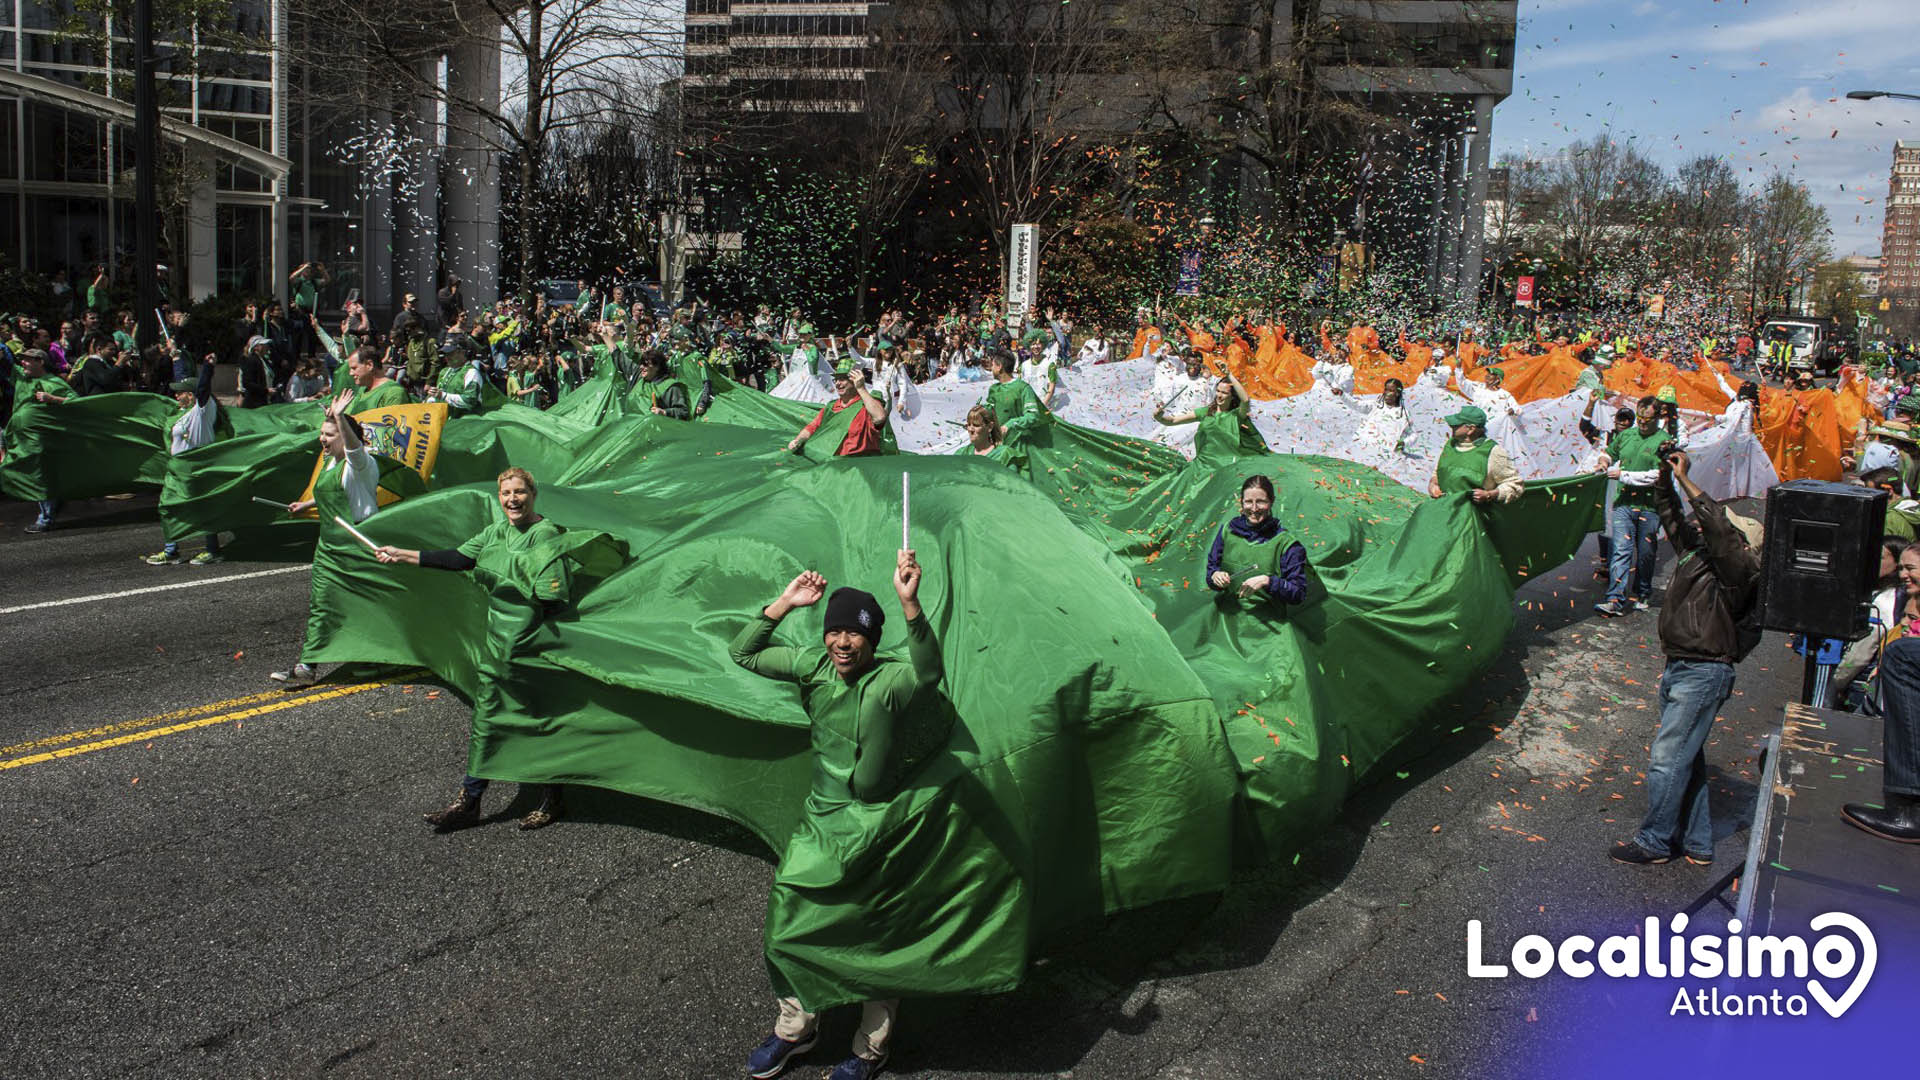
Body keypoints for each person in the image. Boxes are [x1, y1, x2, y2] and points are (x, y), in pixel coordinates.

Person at [732, 549, 942, 1080]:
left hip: (878, 823)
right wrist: (785, 603)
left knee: (874, 937)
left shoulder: (891, 679)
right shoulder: (812, 664)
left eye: (856, 634)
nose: (843, 642)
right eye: (835, 631)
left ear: (872, 641)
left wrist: (910, 604)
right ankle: (796, 1028)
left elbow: (929, 671)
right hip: (822, 820)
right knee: (787, 924)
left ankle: (871, 1048)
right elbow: (744, 653)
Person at [373, 467, 570, 832]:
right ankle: (469, 802)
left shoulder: (545, 534)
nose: (512, 499)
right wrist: (401, 554)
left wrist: (535, 640)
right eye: (506, 493)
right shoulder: (496, 532)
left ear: (533, 494)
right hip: (497, 646)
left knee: (533, 722)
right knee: (486, 721)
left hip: (528, 648)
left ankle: (552, 797)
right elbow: (458, 559)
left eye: (519, 492)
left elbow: (553, 599)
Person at [1610, 446, 1763, 865]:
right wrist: (1666, 477)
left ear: (1738, 541)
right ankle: (1697, 842)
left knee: (1666, 760)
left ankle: (1655, 841)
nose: (1705, 527)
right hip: (1680, 666)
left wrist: (1686, 479)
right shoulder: (1699, 557)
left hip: (1704, 672)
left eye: (1724, 529)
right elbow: (1671, 515)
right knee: (1686, 760)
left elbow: (1715, 523)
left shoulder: (1739, 570)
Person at [272, 390, 386, 686]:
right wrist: (306, 505)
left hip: (358, 544)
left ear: (345, 437)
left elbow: (353, 450)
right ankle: (307, 665)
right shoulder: (331, 462)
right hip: (329, 545)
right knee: (322, 604)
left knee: (360, 604)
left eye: (329, 435)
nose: (323, 439)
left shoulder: (362, 463)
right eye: (322, 433)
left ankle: (372, 659)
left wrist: (340, 417)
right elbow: (333, 491)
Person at [144, 362, 223, 566]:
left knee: (200, 508)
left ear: (191, 395)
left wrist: (208, 367)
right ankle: (171, 550)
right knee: (169, 507)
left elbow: (203, 388)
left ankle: (212, 550)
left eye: (180, 393)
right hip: (178, 469)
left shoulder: (202, 411)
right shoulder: (184, 414)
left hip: (195, 468)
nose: (176, 395)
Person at [1595, 397, 1667, 618]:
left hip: (1649, 507)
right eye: (1641, 418)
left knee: (1645, 554)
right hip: (1624, 504)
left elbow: (1657, 475)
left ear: (1658, 418)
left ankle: (1642, 593)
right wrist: (1604, 462)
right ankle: (1615, 599)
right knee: (1621, 550)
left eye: (1648, 419)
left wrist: (1623, 475)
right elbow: (1609, 452)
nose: (1643, 423)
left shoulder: (1664, 442)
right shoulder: (1626, 435)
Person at [1205, 475, 1308, 608]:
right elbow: (1212, 570)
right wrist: (1215, 576)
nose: (1254, 508)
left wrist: (1268, 581)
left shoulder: (1287, 544)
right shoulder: (1227, 531)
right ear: (1241, 502)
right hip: (1226, 611)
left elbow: (1298, 594)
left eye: (1261, 502)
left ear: (1271, 501)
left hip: (1268, 616)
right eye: (1248, 501)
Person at [1153, 369, 1266, 465]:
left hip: (1228, 464)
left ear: (1232, 396)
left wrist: (1229, 375)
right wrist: (1160, 418)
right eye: (1218, 391)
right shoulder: (1206, 412)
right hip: (1204, 463)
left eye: (1224, 393)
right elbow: (1173, 420)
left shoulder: (1236, 415)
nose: (1219, 395)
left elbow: (1245, 400)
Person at [11, 349, 70, 532]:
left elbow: (75, 402)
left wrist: (52, 398)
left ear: (40, 362)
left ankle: (46, 519)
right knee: (33, 476)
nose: (23, 363)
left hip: (42, 440)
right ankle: (53, 505)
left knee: (41, 477)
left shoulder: (54, 382)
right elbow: (4, 361)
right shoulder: (22, 378)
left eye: (27, 360)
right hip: (21, 439)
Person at [788, 363, 889, 458]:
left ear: (855, 380)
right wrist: (797, 441)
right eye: (836, 380)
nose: (837, 383)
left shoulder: (867, 404)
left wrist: (861, 388)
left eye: (842, 379)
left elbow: (880, 417)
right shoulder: (831, 407)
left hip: (859, 463)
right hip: (832, 462)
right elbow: (813, 427)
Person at [1427, 404, 1522, 504]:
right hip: (1443, 507)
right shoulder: (1450, 444)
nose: (1451, 426)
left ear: (1471, 429)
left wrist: (1489, 494)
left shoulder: (1493, 452)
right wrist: (1433, 483)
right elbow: (1438, 472)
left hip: (1472, 511)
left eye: (1456, 425)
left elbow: (1514, 484)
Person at [344, 345, 409, 413]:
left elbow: (394, 419)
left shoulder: (393, 393)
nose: (351, 373)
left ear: (369, 365)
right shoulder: (363, 390)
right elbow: (348, 415)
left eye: (354, 368)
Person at [634, 348, 691, 419]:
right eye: (641, 364)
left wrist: (664, 412)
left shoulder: (671, 387)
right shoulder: (640, 382)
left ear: (657, 367)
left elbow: (683, 412)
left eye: (645, 364)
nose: (641, 367)